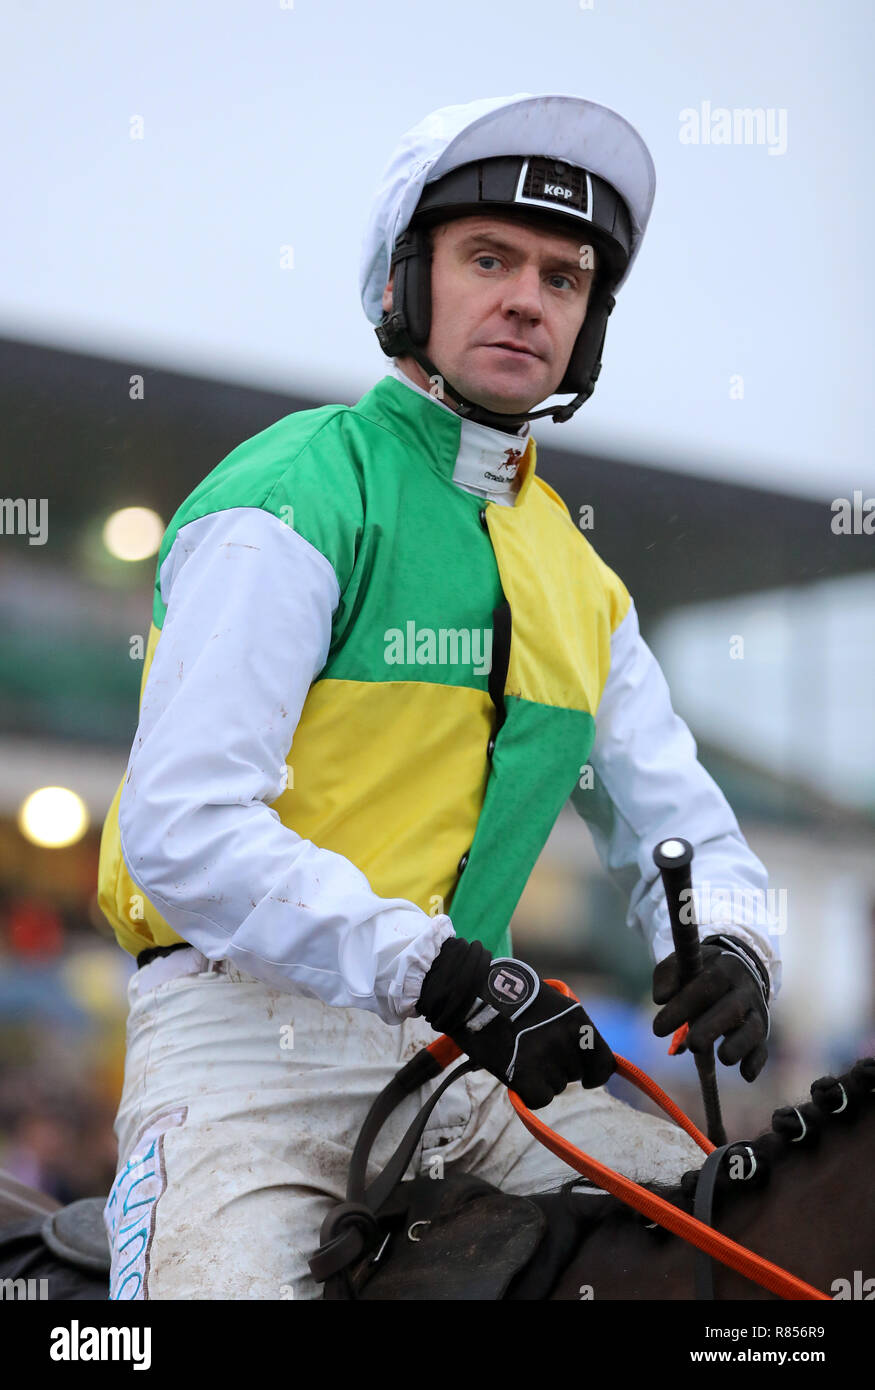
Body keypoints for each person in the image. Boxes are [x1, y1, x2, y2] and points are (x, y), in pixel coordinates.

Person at [96, 92, 779, 1301]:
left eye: (564, 279)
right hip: (251, 1059)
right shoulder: (290, 496)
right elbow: (183, 827)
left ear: (588, 324)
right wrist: (445, 972)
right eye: (487, 259)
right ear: (403, 287)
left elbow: (685, 828)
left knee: (750, 1248)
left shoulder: (585, 584)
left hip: (479, 1072)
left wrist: (727, 939)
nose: (528, 297)